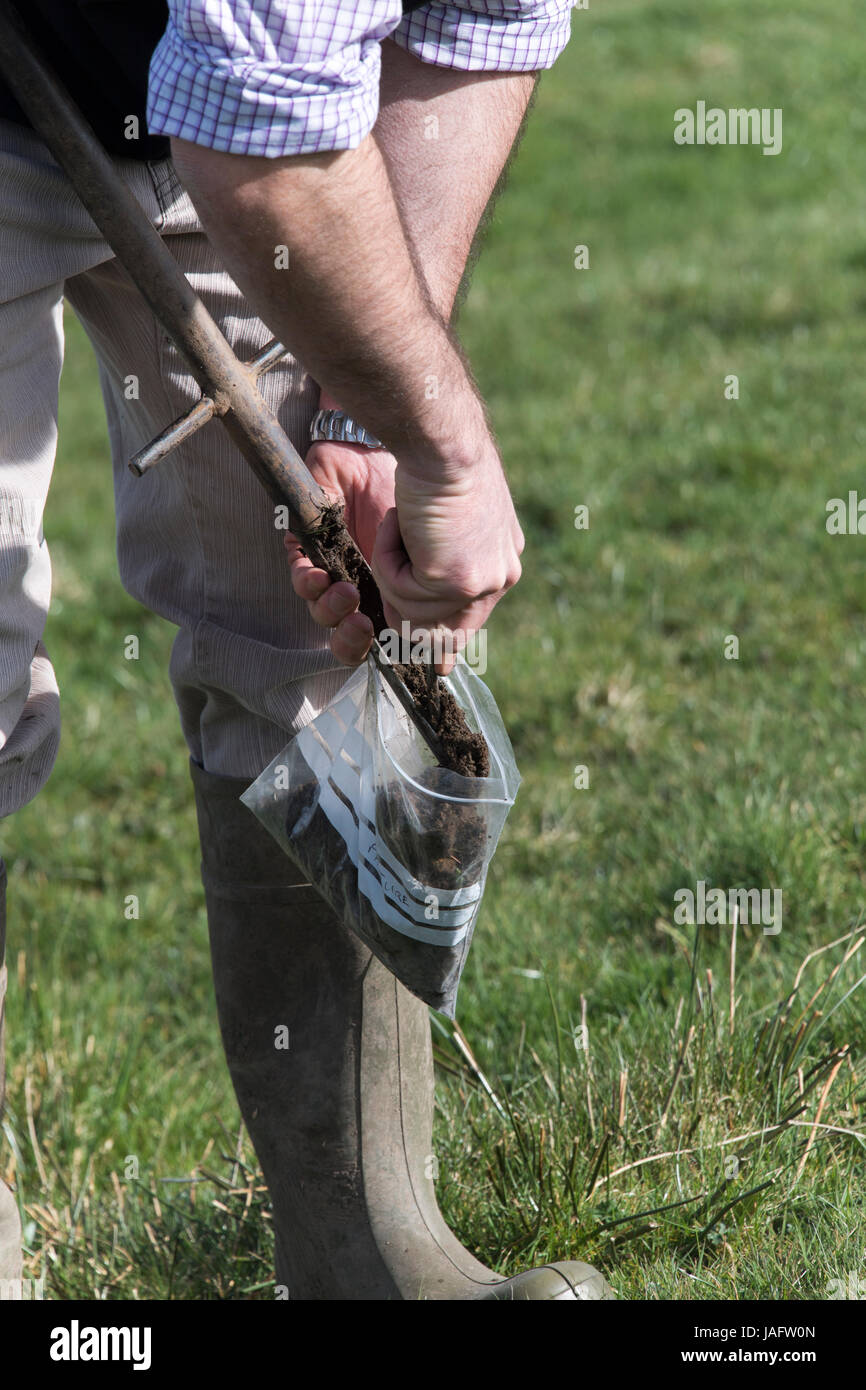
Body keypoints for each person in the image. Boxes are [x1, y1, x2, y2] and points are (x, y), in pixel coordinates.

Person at [0, 0, 613, 1299]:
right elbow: (263, 119)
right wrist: (450, 449)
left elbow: (479, 28)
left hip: (222, 114)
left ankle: (360, 1250)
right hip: (189, 102)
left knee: (334, 611)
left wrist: (371, 410)